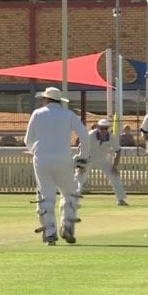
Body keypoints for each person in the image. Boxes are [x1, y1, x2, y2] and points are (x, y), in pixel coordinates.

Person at [24, 87, 90, 245]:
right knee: (69, 193)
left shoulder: (37, 114)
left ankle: (49, 233)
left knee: (46, 196)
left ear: (46, 99)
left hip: (42, 159)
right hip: (64, 158)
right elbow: (85, 136)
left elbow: (28, 140)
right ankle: (67, 226)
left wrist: (36, 151)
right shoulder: (68, 114)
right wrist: (82, 157)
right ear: (60, 101)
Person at [75, 118, 128, 206]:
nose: (104, 130)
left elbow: (118, 151)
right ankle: (74, 201)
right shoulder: (90, 135)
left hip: (102, 159)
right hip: (88, 158)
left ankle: (121, 200)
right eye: (102, 128)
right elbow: (81, 147)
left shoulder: (111, 137)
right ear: (98, 127)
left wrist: (115, 166)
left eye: (106, 128)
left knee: (114, 176)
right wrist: (80, 164)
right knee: (79, 178)